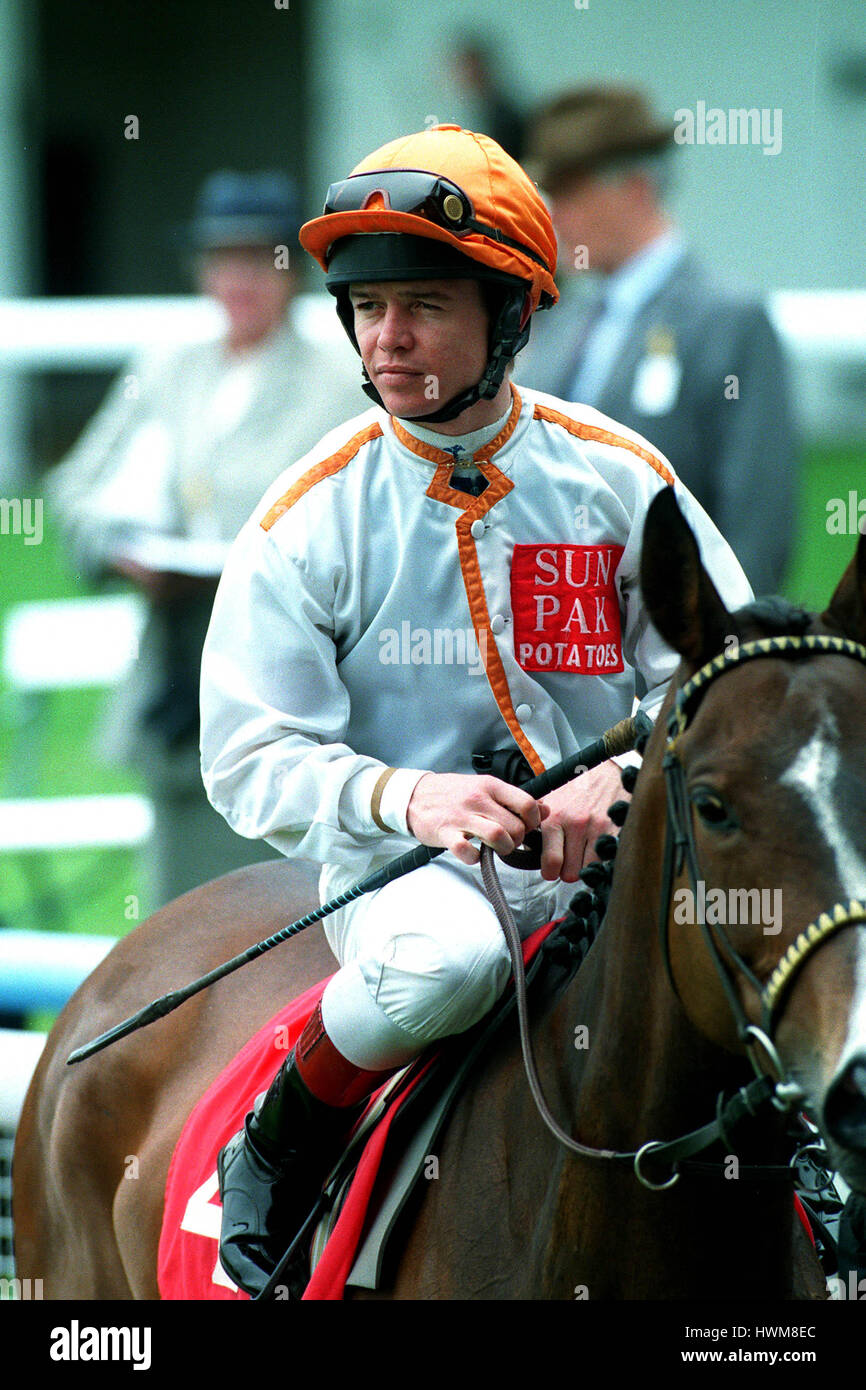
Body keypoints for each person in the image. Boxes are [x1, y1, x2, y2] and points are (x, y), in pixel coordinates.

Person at [199, 124, 754, 1296]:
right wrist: (409, 796)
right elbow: (248, 753)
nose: (386, 339)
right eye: (365, 309)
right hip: (417, 891)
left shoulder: (620, 477)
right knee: (445, 968)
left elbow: (724, 680)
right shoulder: (305, 517)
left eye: (423, 306)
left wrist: (625, 780)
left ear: (513, 313)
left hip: (629, 870)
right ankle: (273, 1146)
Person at [47, 171, 359, 910]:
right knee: (177, 919)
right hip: (177, 683)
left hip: (287, 691)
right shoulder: (169, 368)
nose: (240, 280)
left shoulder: (337, 379)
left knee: (269, 920)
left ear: (292, 270)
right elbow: (74, 490)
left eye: (259, 260)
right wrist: (122, 550)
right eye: (223, 260)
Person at [518, 86, 799, 598]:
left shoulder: (729, 319)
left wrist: (720, 658)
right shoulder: (559, 317)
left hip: (673, 649)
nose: (554, 215)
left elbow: (757, 526)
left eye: (570, 193)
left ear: (636, 188)